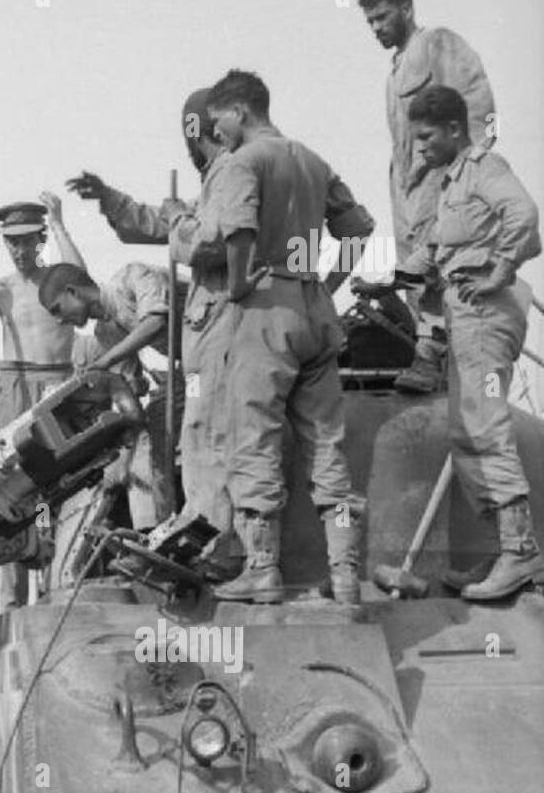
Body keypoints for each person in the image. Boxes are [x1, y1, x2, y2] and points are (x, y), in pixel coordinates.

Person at [198, 69, 375, 603]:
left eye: (218, 122)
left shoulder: (241, 162)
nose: (217, 133)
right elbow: (359, 230)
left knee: (253, 437)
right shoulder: (313, 160)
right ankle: (345, 574)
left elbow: (238, 231)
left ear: (239, 112)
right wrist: (327, 282)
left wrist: (235, 286)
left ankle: (262, 569)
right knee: (328, 447)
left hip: (264, 307)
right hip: (314, 306)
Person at [364, 85, 542, 600]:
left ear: (454, 130)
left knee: (485, 426)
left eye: (425, 138)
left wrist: (500, 271)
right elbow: (435, 250)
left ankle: (520, 549)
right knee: (467, 432)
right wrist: (388, 278)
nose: (419, 149)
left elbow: (526, 219)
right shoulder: (451, 184)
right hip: (466, 321)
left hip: (486, 315)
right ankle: (507, 549)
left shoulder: (485, 168)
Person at [66, 88, 239, 572]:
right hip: (197, 360)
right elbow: (152, 221)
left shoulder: (134, 278)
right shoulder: (201, 201)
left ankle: (217, 543)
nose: (202, 153)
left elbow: (157, 320)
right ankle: (155, 539)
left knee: (207, 442)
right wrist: (108, 198)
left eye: (207, 141)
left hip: (237, 335)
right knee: (152, 442)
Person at [0, 193, 87, 604]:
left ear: (41, 240)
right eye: (13, 242)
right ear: (4, 244)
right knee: (9, 487)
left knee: (55, 487)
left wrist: (60, 225)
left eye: (28, 241)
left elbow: (81, 275)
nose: (21, 250)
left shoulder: (60, 281)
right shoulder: (0, 289)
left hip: (56, 387)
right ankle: (12, 595)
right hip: (15, 387)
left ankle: (51, 583)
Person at [358, 0, 497, 393]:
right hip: (409, 199)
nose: (377, 28)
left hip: (442, 188)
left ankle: (455, 370)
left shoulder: (437, 43)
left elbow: (481, 107)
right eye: (370, 22)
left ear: (406, 9)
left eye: (382, 17)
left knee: (447, 275)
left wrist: (468, 175)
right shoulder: (394, 70)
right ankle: (430, 367)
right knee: (420, 281)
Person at [37, 259, 183, 527]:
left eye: (58, 309)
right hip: (188, 372)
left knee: (197, 435)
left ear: (73, 292)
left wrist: (105, 362)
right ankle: (159, 533)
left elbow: (155, 323)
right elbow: (130, 388)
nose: (59, 320)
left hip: (218, 348)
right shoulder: (104, 331)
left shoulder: (132, 275)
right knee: (152, 436)